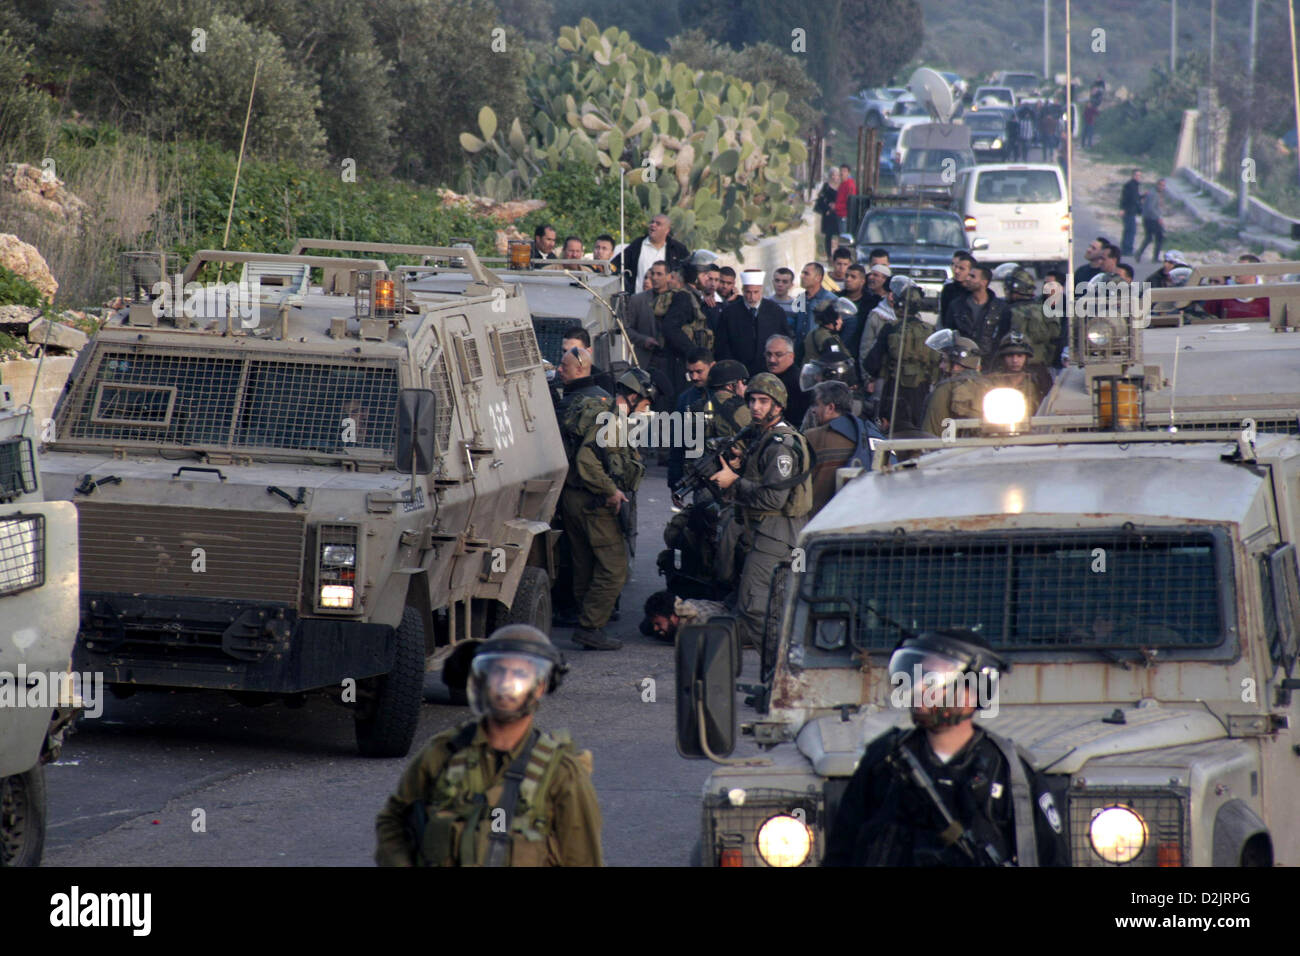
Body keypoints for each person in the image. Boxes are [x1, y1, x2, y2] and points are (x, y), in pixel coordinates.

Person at [823, 629, 1069, 867]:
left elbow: (1050, 857)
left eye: (933, 680)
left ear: (975, 691)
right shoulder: (884, 761)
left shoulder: (1010, 773)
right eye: (917, 678)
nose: (920, 689)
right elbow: (841, 852)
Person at [374, 625, 603, 867]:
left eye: (519, 674)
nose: (506, 684)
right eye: (499, 672)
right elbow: (394, 820)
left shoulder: (562, 772)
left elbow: (583, 859)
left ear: (540, 686)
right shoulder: (443, 754)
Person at [709, 372, 813, 650]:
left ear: (778, 406)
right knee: (770, 602)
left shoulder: (781, 446)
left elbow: (773, 500)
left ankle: (778, 661)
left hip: (776, 535)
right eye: (752, 400)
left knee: (754, 605)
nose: (755, 407)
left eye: (763, 401)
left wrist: (734, 481)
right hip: (768, 531)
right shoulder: (765, 437)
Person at [560, 365, 651, 651]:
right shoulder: (611, 421)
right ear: (634, 396)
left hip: (574, 498)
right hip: (593, 502)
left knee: (585, 564)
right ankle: (590, 626)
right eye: (646, 403)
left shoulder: (603, 413)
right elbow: (587, 460)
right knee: (614, 568)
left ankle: (587, 620)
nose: (647, 410)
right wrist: (611, 490)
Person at [863, 278, 940, 434]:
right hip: (922, 391)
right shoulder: (930, 330)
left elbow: (871, 363)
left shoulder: (890, 328)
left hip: (893, 391)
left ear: (899, 305)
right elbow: (937, 363)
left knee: (891, 432)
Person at [803, 380, 886, 515]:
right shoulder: (871, 433)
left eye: (817, 405)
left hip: (821, 517)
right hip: (866, 514)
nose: (813, 410)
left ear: (830, 408)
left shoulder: (812, 437)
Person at [714, 270, 790, 377]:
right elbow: (722, 346)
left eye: (756, 292)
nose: (752, 297)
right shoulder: (729, 313)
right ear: (742, 290)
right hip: (739, 373)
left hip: (769, 372)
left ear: (761, 290)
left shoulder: (776, 311)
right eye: (748, 292)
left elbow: (785, 341)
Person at [996, 267, 1057, 399]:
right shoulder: (1045, 309)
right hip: (1041, 368)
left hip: (1013, 371)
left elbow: (999, 341)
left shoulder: (1009, 311)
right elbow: (1054, 338)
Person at [920, 330, 985, 438]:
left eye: (945, 361)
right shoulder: (989, 387)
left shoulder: (945, 389)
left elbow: (931, 434)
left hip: (947, 447)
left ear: (957, 364)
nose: (941, 366)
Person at [667, 347, 715, 490]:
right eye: (690, 372)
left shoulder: (724, 395)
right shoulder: (685, 399)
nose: (694, 377)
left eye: (699, 372)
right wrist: (674, 481)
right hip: (699, 470)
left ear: (712, 366)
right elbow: (677, 442)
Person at [612, 214, 689, 295]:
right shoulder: (637, 245)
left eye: (658, 224)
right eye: (652, 222)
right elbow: (615, 264)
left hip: (666, 300)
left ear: (667, 230)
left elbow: (687, 273)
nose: (653, 225)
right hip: (638, 298)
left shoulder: (677, 249)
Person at [942, 265, 1002, 363]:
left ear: (984, 282)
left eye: (972, 276)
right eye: (968, 275)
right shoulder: (957, 305)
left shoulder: (999, 307)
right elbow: (948, 333)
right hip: (962, 359)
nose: (967, 279)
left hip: (989, 360)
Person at [640, 590, 729, 644]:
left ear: (673, 616)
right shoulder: (682, 607)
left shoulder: (700, 627)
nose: (655, 628)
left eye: (658, 624)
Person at [986, 332, 1041, 416]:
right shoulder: (991, 381)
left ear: (1026, 358)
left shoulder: (1037, 381)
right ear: (1003, 357)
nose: (1015, 360)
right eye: (1010, 356)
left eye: (1020, 355)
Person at [1204, 254, 1271, 320]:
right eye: (1236, 268)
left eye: (1241, 269)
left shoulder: (1267, 296)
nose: (1237, 272)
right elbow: (1206, 315)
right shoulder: (1223, 293)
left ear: (1254, 271)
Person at [764, 334, 810, 427]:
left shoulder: (797, 383)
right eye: (768, 354)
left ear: (791, 356)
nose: (772, 360)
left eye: (778, 355)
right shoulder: (768, 376)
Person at [791, 262, 839, 349]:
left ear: (818, 278)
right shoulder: (800, 298)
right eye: (802, 273)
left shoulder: (830, 299)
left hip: (819, 349)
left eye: (806, 274)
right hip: (800, 350)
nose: (801, 276)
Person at [1135, 178, 1166, 263]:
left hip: (1147, 218)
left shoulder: (1153, 193)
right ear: (1157, 185)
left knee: (1149, 237)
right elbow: (1151, 208)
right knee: (1159, 237)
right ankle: (1155, 257)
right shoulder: (1154, 194)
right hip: (1152, 219)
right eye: (1161, 185)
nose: (1162, 187)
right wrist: (1158, 217)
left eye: (1163, 185)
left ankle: (1139, 254)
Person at [815, 167, 842, 259]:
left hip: (839, 213)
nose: (834, 177)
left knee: (840, 235)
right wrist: (827, 209)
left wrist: (837, 205)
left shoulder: (841, 186)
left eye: (836, 175)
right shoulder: (826, 186)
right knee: (828, 235)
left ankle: (839, 255)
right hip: (828, 215)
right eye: (832, 175)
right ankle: (829, 256)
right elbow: (820, 200)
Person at [939, 252, 973, 323]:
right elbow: (944, 315)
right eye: (955, 267)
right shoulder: (949, 289)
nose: (956, 271)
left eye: (961, 269)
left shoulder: (976, 290)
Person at [1119, 170, 1142, 258]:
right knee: (1130, 230)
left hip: (1132, 211)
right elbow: (1124, 198)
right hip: (1128, 211)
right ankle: (1127, 249)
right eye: (1137, 175)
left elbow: (1136, 198)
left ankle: (1126, 249)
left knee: (1129, 230)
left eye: (1139, 175)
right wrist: (1122, 209)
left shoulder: (1135, 185)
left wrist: (1143, 196)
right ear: (1133, 175)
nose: (1138, 177)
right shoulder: (1129, 185)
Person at [835, 164, 858, 237]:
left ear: (848, 173)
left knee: (844, 237)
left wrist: (836, 206)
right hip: (839, 214)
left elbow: (850, 203)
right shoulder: (842, 184)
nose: (842, 173)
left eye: (844, 171)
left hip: (844, 216)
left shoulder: (850, 185)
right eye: (841, 171)